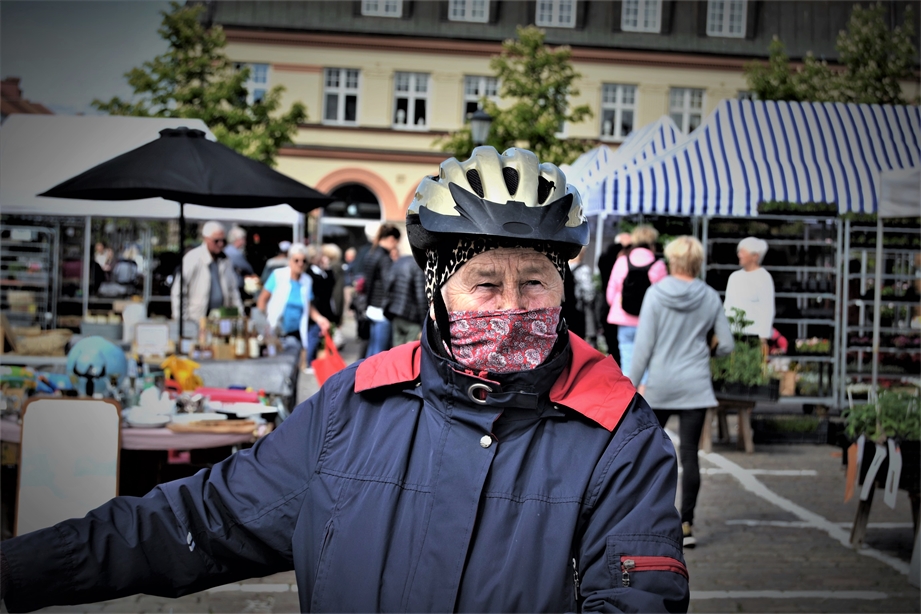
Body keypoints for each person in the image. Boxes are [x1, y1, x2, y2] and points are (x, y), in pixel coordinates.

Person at [0, 146, 689, 613]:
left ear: (562, 289)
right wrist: (21, 568)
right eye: (484, 283)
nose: (511, 307)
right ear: (435, 290)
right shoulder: (353, 406)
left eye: (534, 282)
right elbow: (202, 521)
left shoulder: (618, 433)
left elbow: (636, 598)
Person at [628, 236, 735, 550]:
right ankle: (686, 525)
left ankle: (647, 520)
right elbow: (727, 344)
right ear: (697, 262)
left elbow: (643, 347)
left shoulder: (656, 294)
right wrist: (708, 348)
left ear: (672, 260)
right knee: (689, 455)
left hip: (660, 384)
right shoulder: (709, 296)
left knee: (648, 454)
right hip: (695, 385)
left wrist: (630, 384)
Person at [605, 225, 667, 378]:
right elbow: (663, 297)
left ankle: (630, 392)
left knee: (626, 361)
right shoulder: (658, 265)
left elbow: (610, 294)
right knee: (646, 365)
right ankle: (644, 391)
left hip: (624, 319)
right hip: (648, 321)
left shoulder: (622, 261)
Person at [256, 242, 330, 355]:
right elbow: (262, 300)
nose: (300, 264)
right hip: (276, 330)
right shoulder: (278, 275)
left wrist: (320, 319)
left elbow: (308, 305)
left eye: (304, 261)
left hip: (296, 332)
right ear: (290, 260)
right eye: (296, 260)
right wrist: (264, 324)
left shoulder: (307, 280)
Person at [170, 221, 243, 323]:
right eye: (216, 241)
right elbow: (178, 292)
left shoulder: (226, 260)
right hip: (196, 321)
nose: (221, 244)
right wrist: (183, 321)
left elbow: (233, 292)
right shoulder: (193, 258)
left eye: (223, 241)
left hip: (221, 321)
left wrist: (240, 317)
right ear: (206, 239)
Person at [723, 236, 775, 341]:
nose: (739, 255)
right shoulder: (734, 277)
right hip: (733, 334)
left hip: (753, 335)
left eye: (743, 252)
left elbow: (767, 310)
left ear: (755, 256)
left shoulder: (764, 278)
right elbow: (727, 306)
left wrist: (763, 337)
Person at [361, 223, 400, 357]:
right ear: (391, 239)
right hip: (382, 310)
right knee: (379, 354)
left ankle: (365, 371)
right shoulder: (384, 258)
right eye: (396, 243)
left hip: (371, 306)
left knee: (371, 350)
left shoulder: (371, 253)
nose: (396, 247)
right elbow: (389, 284)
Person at [596, 232, 631, 361]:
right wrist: (622, 246)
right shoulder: (617, 260)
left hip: (608, 308)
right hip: (616, 309)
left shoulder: (606, 258)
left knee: (614, 348)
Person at [382, 251, 428, 346]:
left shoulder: (398, 263)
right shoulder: (418, 266)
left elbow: (387, 288)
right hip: (412, 317)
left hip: (395, 313)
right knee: (411, 350)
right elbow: (421, 298)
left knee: (397, 349)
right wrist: (424, 325)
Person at [305, 244, 337, 364]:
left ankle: (313, 361)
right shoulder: (310, 273)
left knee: (318, 337)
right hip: (316, 309)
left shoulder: (322, 271)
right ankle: (309, 361)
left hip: (324, 309)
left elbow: (330, 285)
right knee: (313, 336)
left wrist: (327, 268)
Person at [223, 225, 257, 297]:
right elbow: (247, 268)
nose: (245, 242)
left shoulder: (226, 249)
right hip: (235, 286)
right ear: (238, 239)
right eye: (243, 239)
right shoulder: (234, 253)